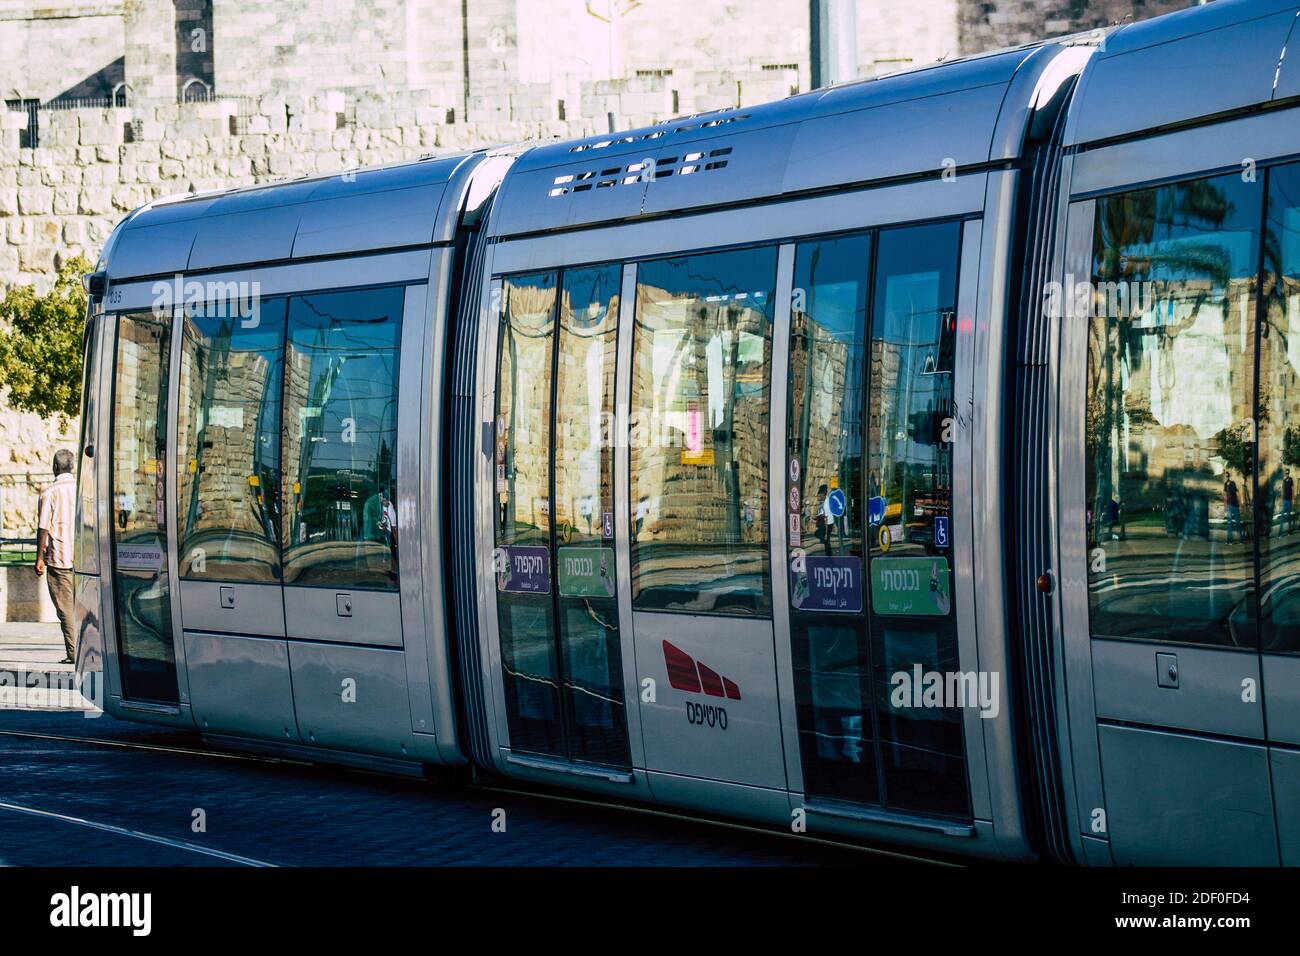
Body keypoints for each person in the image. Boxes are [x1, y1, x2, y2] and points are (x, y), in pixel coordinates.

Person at [36, 449, 77, 664]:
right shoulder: (82, 489)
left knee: (65, 608)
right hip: (84, 559)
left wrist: (39, 558)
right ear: (73, 467)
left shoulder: (49, 492)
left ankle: (74, 653)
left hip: (60, 558)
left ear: (54, 468)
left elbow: (43, 528)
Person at [1224, 477, 1244, 542]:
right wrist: (1225, 507)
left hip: (1235, 506)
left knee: (1237, 523)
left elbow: (1238, 494)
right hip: (1230, 506)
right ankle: (1230, 540)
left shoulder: (1232, 484)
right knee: (1230, 523)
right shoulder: (1225, 485)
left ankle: (1241, 539)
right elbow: (1225, 497)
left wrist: (1240, 504)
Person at [1284, 470, 1294, 535]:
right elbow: (1283, 490)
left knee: (1289, 515)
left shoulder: (1291, 480)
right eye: (1286, 473)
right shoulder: (1284, 481)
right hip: (1285, 500)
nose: (1287, 474)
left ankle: (1289, 530)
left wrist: (1293, 499)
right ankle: (1288, 529)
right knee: (1286, 516)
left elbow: (1293, 489)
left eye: (1288, 473)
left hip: (1289, 500)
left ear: (1289, 473)